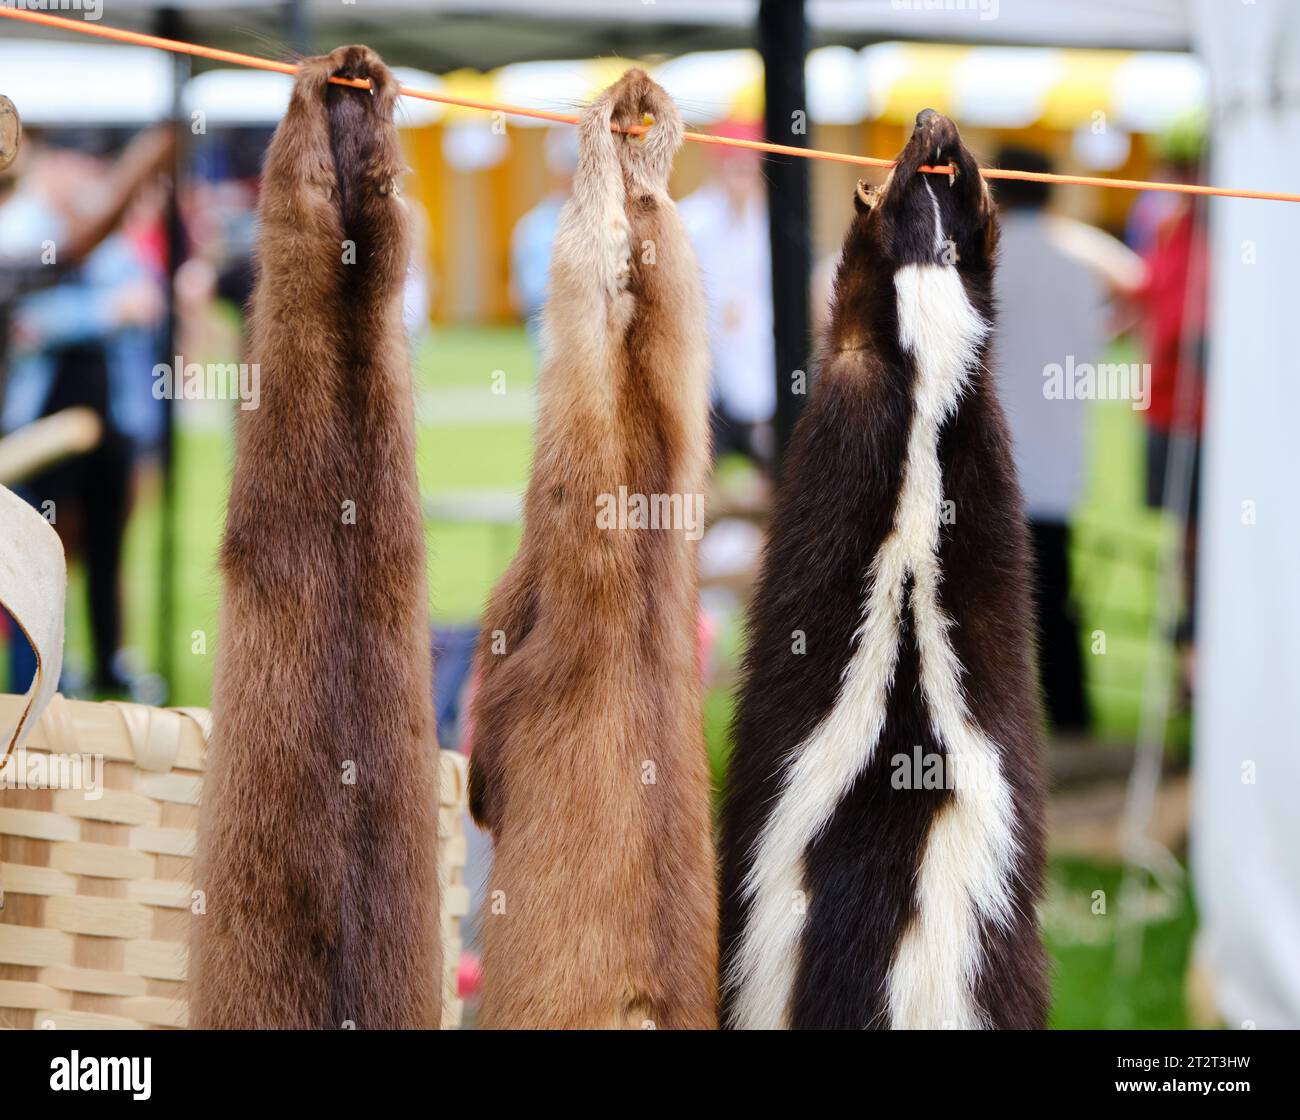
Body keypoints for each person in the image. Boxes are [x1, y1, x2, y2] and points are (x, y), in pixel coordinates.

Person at [993, 146, 1142, 733]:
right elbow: (1133, 282)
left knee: (990, 595)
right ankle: (1070, 711)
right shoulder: (1074, 263)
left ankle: (1005, 716)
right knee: (1055, 590)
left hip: (996, 459)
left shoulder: (986, 259)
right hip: (1056, 456)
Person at [679, 121, 775, 470]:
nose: (743, 176)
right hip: (706, 373)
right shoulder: (691, 220)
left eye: (750, 167)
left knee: (776, 469)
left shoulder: (766, 223)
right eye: (735, 166)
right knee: (695, 473)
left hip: (757, 370)